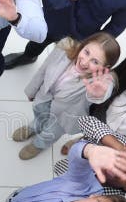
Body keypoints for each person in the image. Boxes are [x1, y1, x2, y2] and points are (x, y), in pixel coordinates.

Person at [11, 32, 120, 160]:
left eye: (95, 61)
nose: (85, 62)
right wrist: (32, 90)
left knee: (50, 133)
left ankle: (38, 145)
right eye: (86, 52)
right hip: (43, 99)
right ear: (83, 45)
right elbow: (43, 69)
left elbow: (103, 91)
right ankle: (34, 126)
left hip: (64, 117)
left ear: (105, 67)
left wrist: (96, 95)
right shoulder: (64, 49)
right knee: (39, 116)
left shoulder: (101, 82)